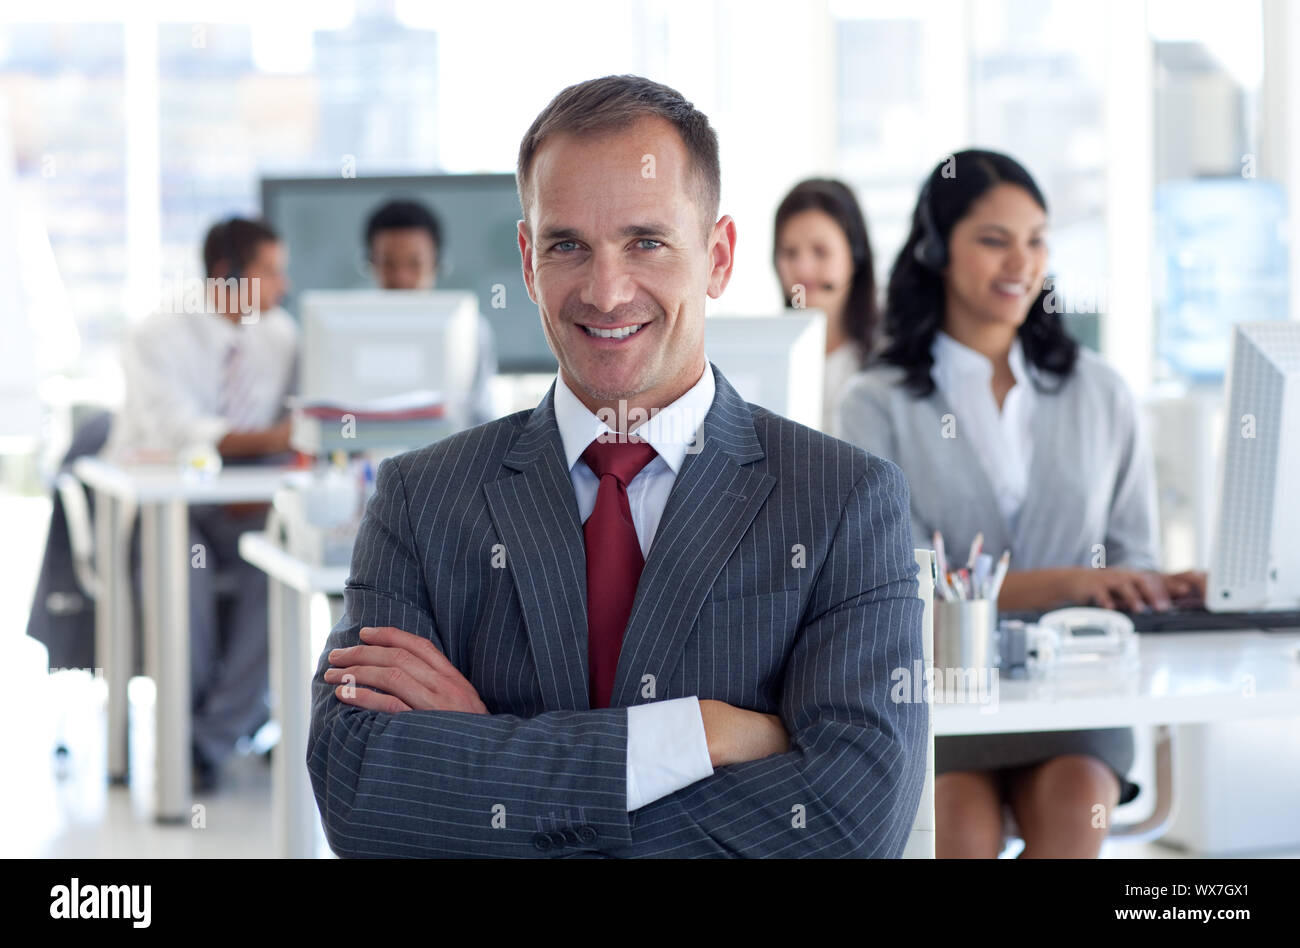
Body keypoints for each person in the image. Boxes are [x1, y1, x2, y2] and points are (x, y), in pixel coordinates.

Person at [307, 75, 927, 858]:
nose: (606, 291)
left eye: (646, 241)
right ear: (530, 262)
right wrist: (691, 735)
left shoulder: (843, 502)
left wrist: (490, 752)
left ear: (719, 256)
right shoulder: (419, 499)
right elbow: (365, 796)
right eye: (569, 245)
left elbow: (850, 823)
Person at [835, 150, 1206, 858]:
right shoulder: (874, 404)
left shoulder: (1101, 393)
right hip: (943, 702)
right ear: (937, 251)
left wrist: (1151, 587)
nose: (1021, 262)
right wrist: (1073, 583)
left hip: (1078, 697)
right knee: (963, 836)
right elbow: (895, 589)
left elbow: (1132, 554)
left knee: (1072, 822)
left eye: (1036, 239)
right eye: (994, 239)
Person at [105, 216, 298, 791]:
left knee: (279, 572)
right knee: (181, 575)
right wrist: (279, 440)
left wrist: (280, 453)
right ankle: (193, 735)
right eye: (270, 272)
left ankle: (205, 740)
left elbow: (292, 422)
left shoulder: (281, 335)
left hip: (246, 508)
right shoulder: (154, 336)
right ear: (227, 275)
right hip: (171, 510)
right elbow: (182, 433)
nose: (282, 287)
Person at [363, 198, 499, 425]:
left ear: (437, 263)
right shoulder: (351, 324)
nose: (401, 277)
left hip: (452, 456)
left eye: (414, 264)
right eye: (389, 264)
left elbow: (482, 414)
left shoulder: (471, 329)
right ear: (370, 263)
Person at [772, 178, 880, 432]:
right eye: (789, 252)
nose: (803, 269)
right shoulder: (767, 354)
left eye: (820, 251)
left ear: (855, 256)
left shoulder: (889, 356)